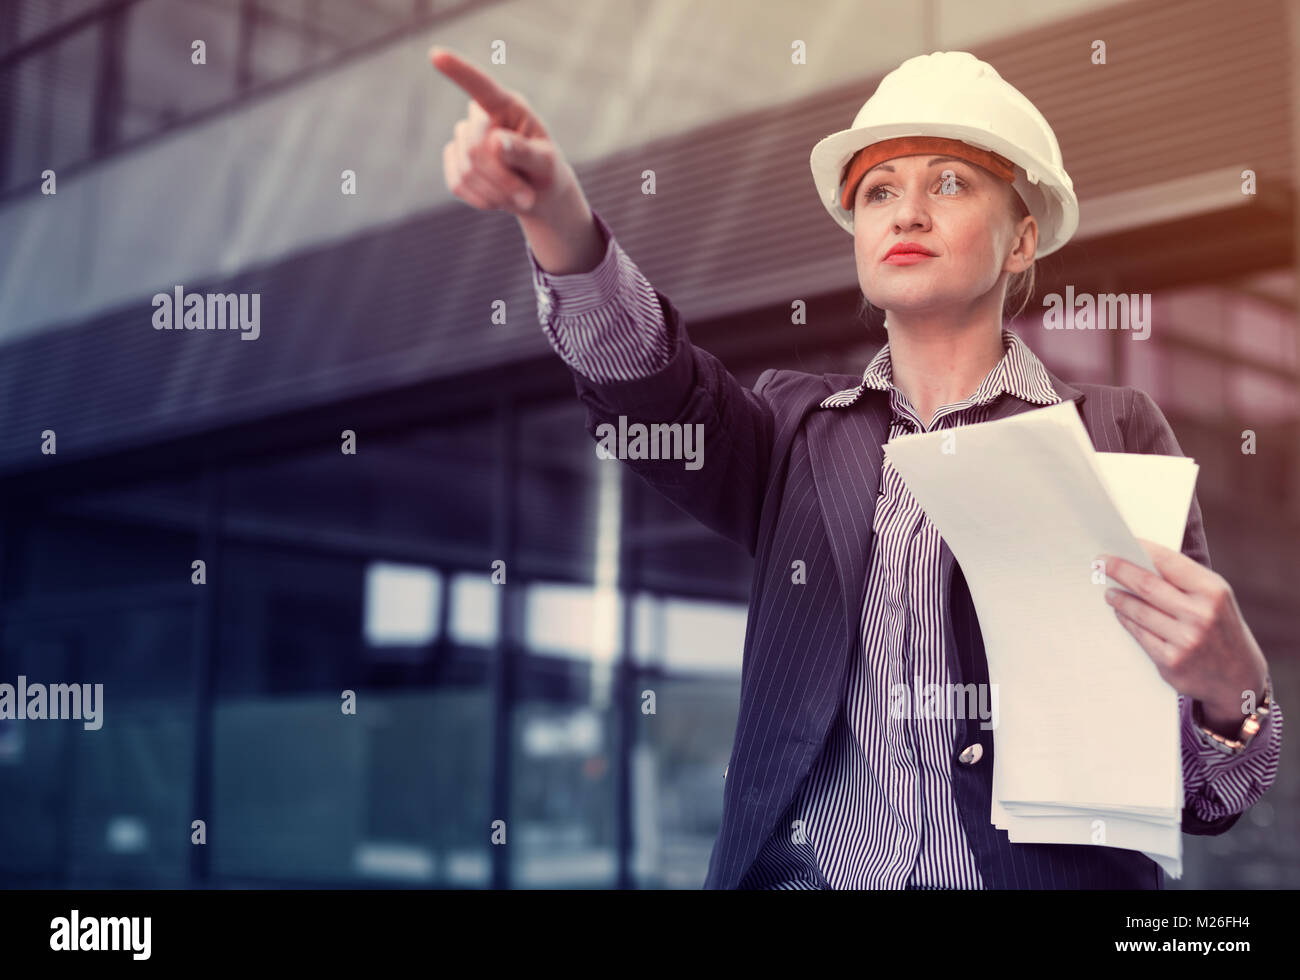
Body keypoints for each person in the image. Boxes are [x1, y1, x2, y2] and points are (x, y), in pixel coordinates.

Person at [431, 47, 1282, 889]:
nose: (906, 213)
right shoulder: (798, 431)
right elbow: (655, 397)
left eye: (949, 183)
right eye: (879, 191)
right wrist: (558, 216)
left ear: (1022, 240)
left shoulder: (1114, 433)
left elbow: (1207, 800)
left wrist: (1231, 694)